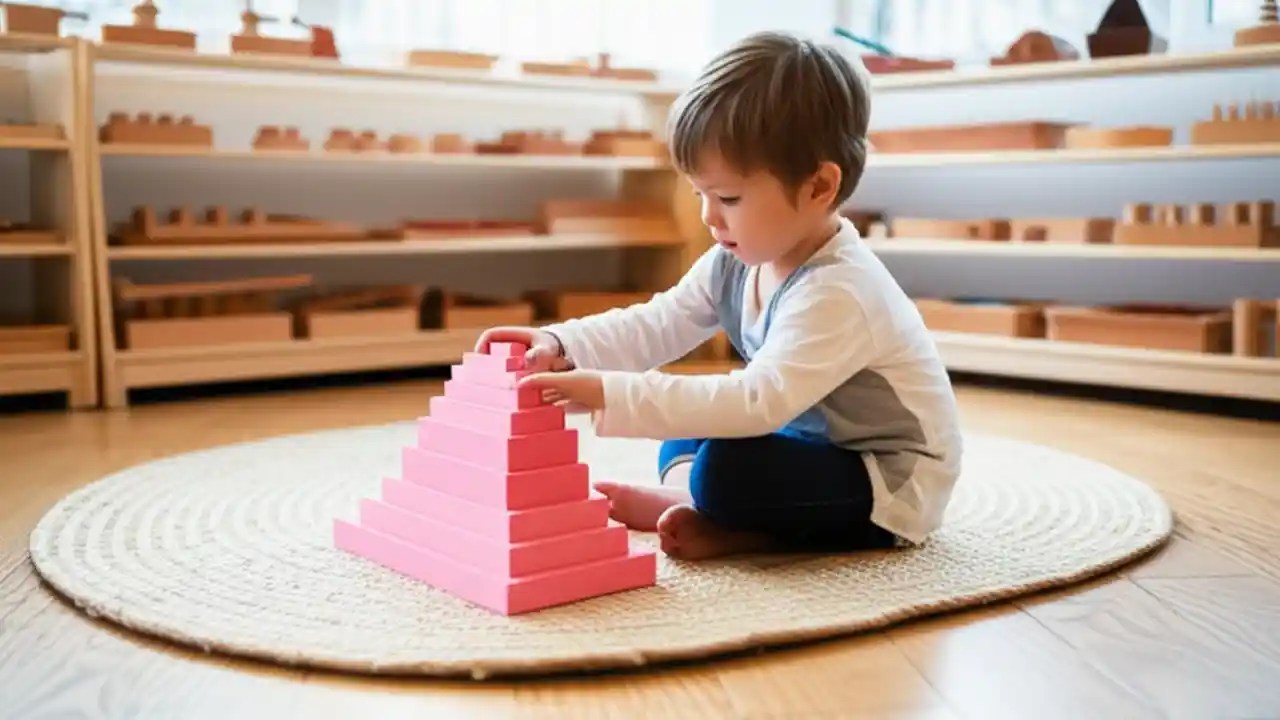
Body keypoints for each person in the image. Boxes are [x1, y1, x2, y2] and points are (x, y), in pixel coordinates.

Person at [475, 30, 963, 560]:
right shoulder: (735, 262)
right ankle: (706, 508)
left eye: (728, 196)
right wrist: (562, 343)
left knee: (725, 469)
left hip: (887, 480)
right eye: (700, 193)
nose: (708, 216)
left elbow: (757, 403)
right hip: (806, 443)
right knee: (684, 432)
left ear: (820, 187)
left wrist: (608, 393)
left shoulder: (840, 289)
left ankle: (737, 524)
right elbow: (658, 322)